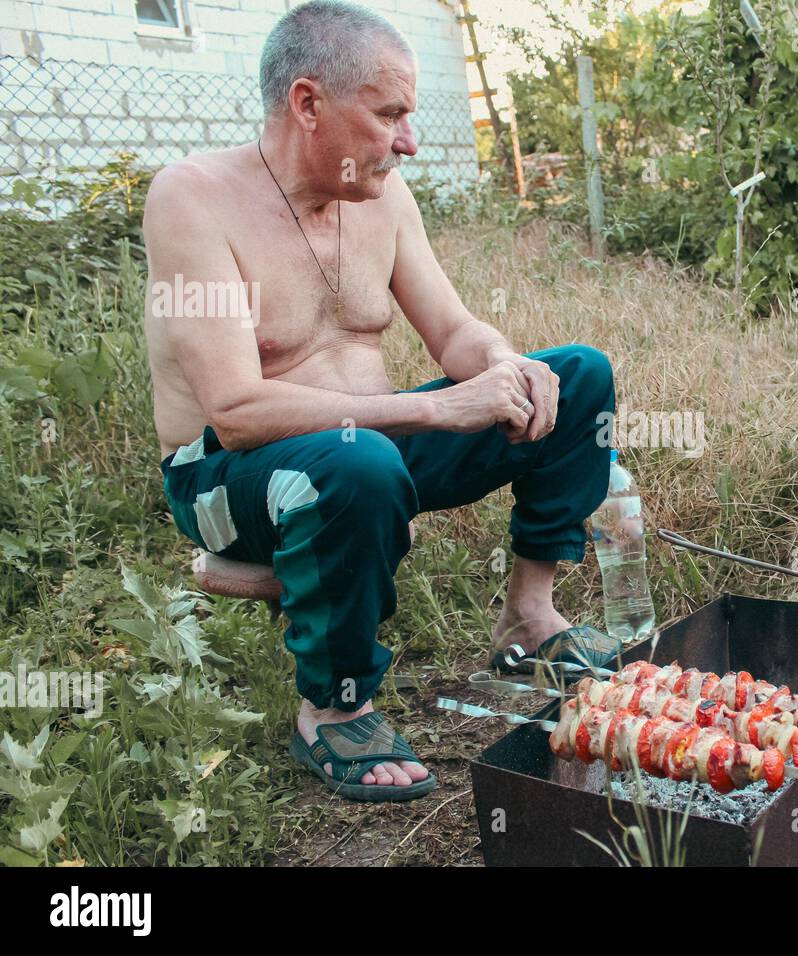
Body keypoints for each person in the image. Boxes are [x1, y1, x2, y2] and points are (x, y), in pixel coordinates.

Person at [141, 0, 620, 802]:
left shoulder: (382, 198)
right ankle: (332, 708)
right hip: (229, 476)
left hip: (366, 455)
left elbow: (455, 330)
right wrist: (437, 409)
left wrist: (504, 366)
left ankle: (530, 620)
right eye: (390, 113)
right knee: (356, 463)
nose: (408, 140)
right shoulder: (192, 199)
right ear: (308, 104)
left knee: (577, 377)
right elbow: (237, 411)